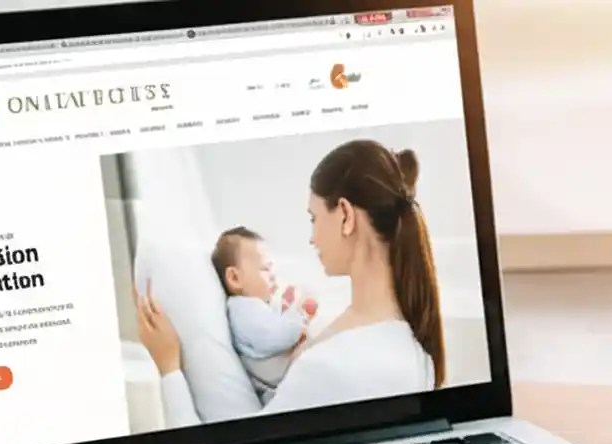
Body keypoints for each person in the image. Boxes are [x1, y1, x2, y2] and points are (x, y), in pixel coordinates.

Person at [136, 139, 446, 427]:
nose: (312, 237)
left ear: (345, 216)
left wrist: (169, 369)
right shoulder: (413, 352)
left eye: (313, 217)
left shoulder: (328, 367)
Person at [210, 226, 315, 404]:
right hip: (275, 391)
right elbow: (270, 336)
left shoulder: (256, 307)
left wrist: (285, 309)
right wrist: (299, 317)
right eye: (265, 269)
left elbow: (273, 325)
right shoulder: (242, 308)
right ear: (235, 278)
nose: (273, 276)